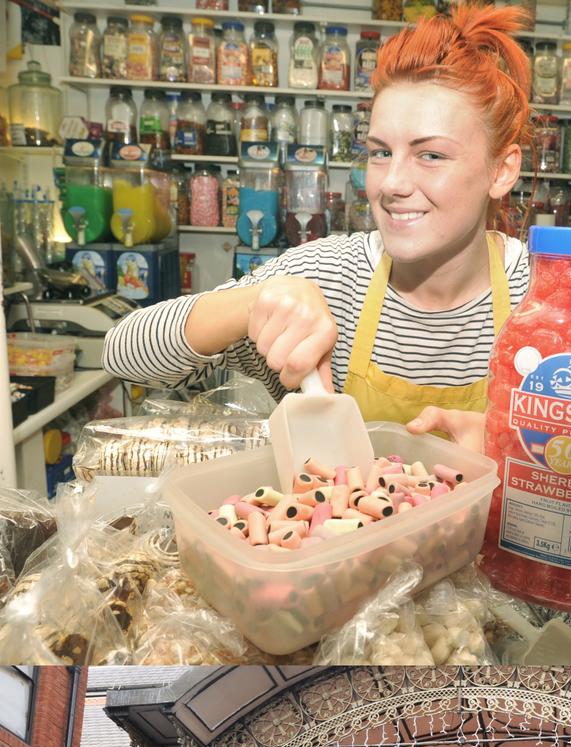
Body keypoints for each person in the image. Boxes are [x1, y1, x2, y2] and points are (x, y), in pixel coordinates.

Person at [101, 3, 530, 451]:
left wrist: (515, 449)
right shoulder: (331, 275)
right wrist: (251, 306)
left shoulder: (544, 295)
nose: (391, 184)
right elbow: (122, 354)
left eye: (431, 155)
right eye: (381, 152)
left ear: (501, 170)